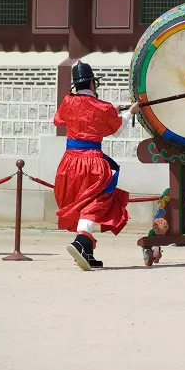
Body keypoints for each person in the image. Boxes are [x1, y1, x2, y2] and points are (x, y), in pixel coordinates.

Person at [53, 61, 140, 271]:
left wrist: (111, 109)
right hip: (92, 162)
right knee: (97, 200)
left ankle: (87, 251)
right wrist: (130, 111)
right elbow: (116, 128)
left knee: (82, 202)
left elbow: (59, 119)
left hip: (69, 162)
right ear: (92, 83)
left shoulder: (68, 102)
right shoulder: (103, 108)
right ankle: (81, 242)